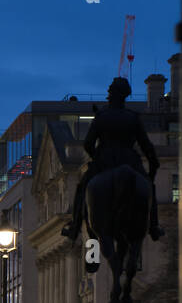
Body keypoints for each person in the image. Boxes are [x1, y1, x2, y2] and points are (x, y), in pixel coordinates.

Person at [61, 77, 163, 243]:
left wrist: (98, 157)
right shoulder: (133, 117)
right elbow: (146, 146)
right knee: (149, 188)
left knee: (82, 187)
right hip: (130, 160)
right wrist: (153, 164)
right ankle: (154, 226)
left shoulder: (101, 117)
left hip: (105, 160)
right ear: (125, 96)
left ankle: (74, 226)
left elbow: (88, 144)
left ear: (110, 96)